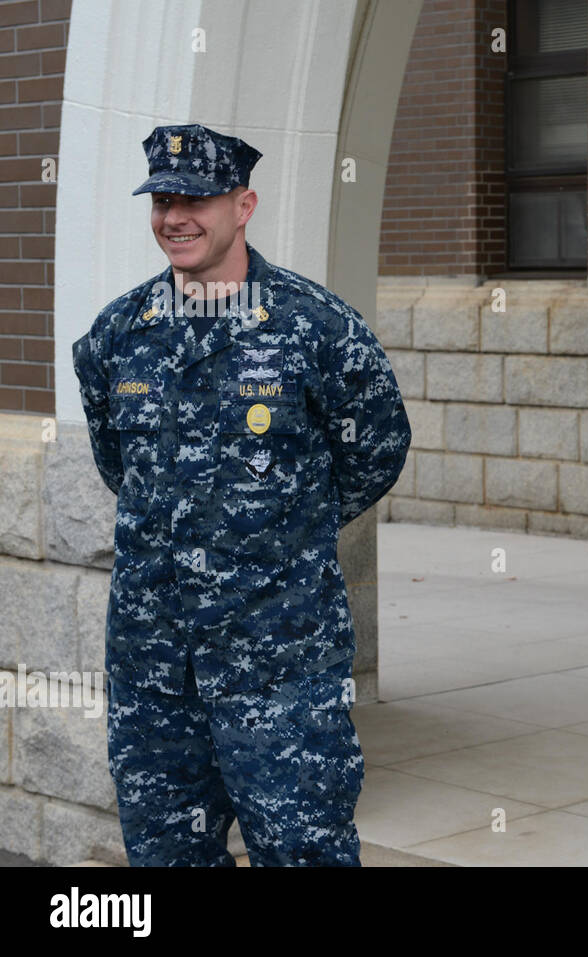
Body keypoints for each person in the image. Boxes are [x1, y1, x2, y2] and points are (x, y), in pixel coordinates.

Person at [72, 123, 411, 866]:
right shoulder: (118, 335)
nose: (175, 215)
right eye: (162, 198)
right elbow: (118, 466)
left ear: (243, 204)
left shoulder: (317, 330)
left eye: (196, 197)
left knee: (302, 856)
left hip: (280, 672)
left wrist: (282, 532)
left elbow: (376, 452)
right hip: (155, 674)